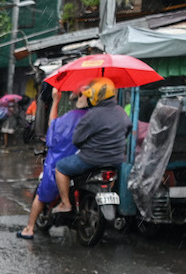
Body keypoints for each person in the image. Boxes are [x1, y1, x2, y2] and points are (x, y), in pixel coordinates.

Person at [53, 77, 130, 215]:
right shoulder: (121, 112)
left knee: (60, 167)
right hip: (116, 160)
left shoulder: (92, 115)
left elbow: (77, 140)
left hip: (91, 160)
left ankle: (65, 203)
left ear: (97, 96)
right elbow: (127, 131)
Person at [18, 87, 86, 239]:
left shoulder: (71, 118)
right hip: (87, 161)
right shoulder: (96, 117)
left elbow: (52, 129)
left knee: (42, 195)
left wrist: (55, 101)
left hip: (60, 160)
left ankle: (29, 228)